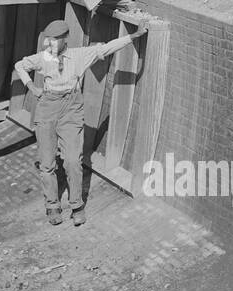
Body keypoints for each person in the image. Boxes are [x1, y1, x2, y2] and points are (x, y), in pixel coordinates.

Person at [13, 18, 145, 227]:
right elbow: (20, 65)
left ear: (66, 39)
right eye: (49, 40)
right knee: (47, 165)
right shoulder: (43, 58)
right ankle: (52, 205)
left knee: (73, 161)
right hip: (47, 108)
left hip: (71, 108)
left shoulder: (80, 55)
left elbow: (108, 48)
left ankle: (76, 206)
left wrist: (133, 36)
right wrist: (32, 87)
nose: (51, 44)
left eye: (56, 40)